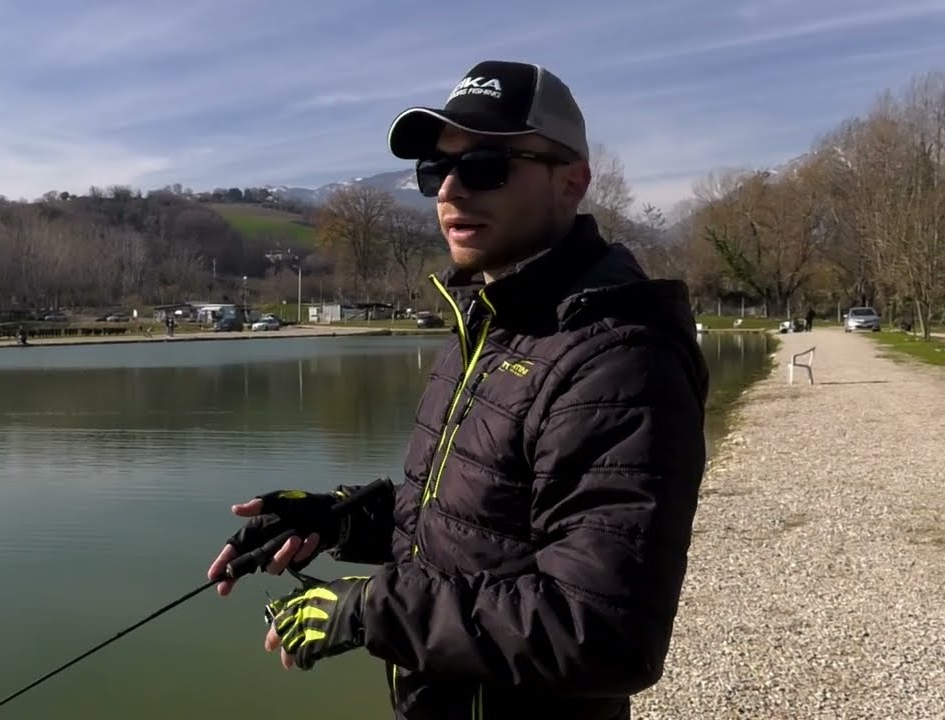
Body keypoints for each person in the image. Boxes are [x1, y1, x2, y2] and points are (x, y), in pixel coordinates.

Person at [207, 60, 710, 720]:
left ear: (572, 181)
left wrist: (367, 609)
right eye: (433, 171)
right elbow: (476, 532)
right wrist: (343, 519)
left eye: (484, 165)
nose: (449, 190)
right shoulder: (488, 324)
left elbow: (605, 632)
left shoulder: (618, 360)